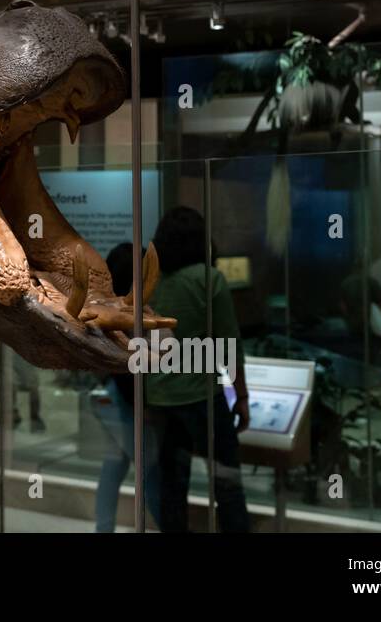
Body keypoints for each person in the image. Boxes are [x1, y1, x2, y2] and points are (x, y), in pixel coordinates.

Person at [144, 207, 251, 533]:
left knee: (173, 489)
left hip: (160, 400)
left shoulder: (149, 283)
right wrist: (241, 396)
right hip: (202, 399)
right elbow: (229, 344)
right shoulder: (210, 279)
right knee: (227, 484)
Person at [92, 243, 160, 531]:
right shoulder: (126, 314)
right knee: (149, 469)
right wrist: (141, 405)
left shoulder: (109, 309)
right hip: (127, 401)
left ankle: (104, 527)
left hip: (115, 395)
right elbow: (127, 366)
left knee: (115, 465)